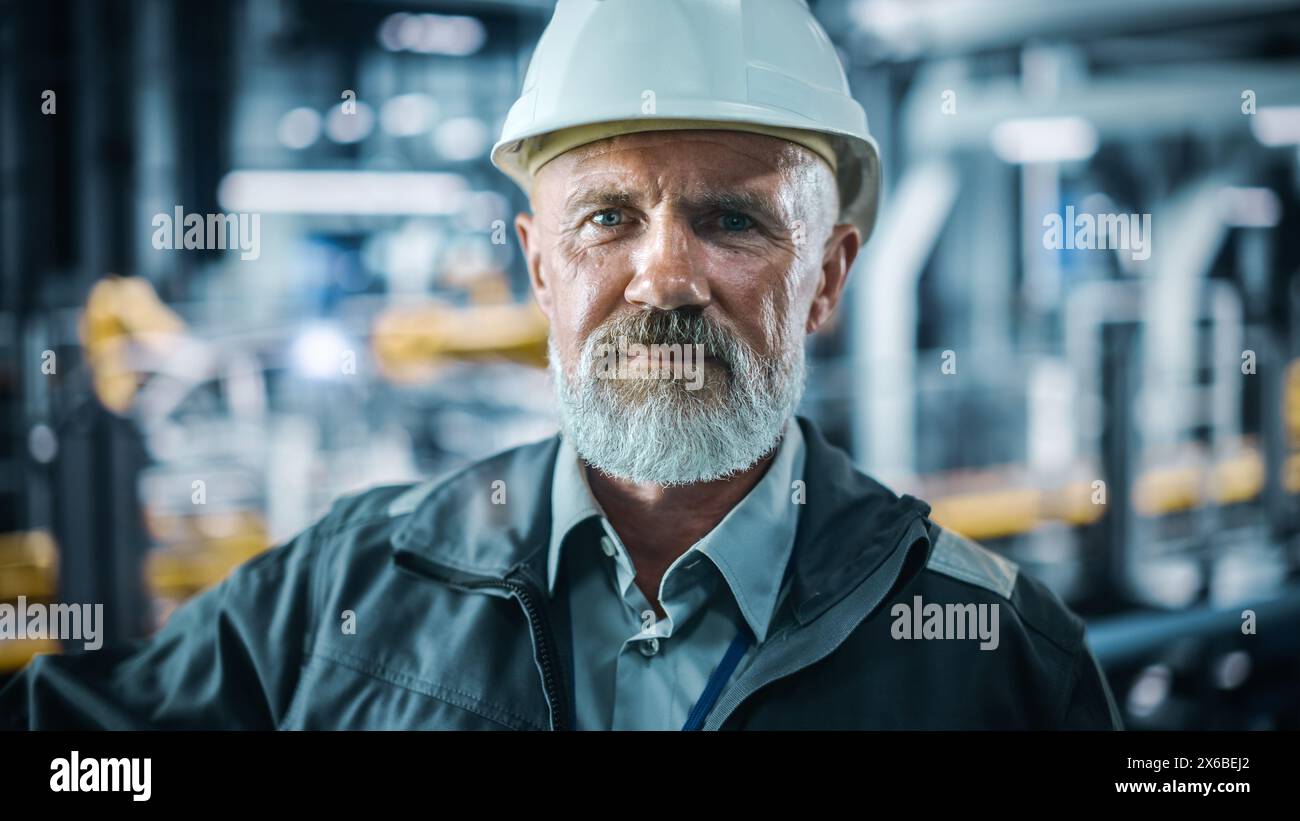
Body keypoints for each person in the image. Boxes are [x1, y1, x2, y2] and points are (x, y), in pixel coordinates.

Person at [1, 0, 1121, 730]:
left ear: (826, 275)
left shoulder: (999, 655)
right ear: (539, 267)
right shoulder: (337, 594)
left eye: (732, 220)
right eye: (606, 218)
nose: (664, 277)